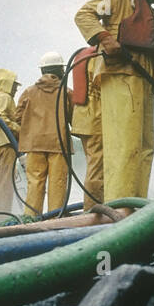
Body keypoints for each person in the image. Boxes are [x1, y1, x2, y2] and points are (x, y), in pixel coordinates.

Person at [72, 0, 154, 202]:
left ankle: (136, 203)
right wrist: (105, 38)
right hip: (120, 78)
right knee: (124, 147)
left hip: (145, 83)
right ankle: (119, 205)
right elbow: (83, 14)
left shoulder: (153, 18)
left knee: (143, 148)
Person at [15, 53, 73, 216]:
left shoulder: (29, 92)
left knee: (34, 183)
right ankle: (54, 217)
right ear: (60, 69)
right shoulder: (66, 91)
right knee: (58, 183)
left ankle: (31, 218)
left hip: (34, 145)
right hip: (58, 144)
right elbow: (74, 117)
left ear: (42, 71)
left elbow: (17, 117)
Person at [67, 46, 105, 210]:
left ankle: (94, 206)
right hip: (94, 116)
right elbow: (104, 85)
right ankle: (94, 210)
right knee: (98, 165)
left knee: (93, 163)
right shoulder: (97, 56)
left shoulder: (84, 55)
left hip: (83, 117)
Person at [0, 68, 22, 221]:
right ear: (8, 84)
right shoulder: (5, 98)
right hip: (6, 145)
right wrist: (20, 129)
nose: (16, 88)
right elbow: (2, 119)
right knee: (4, 184)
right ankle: (3, 218)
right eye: (14, 85)